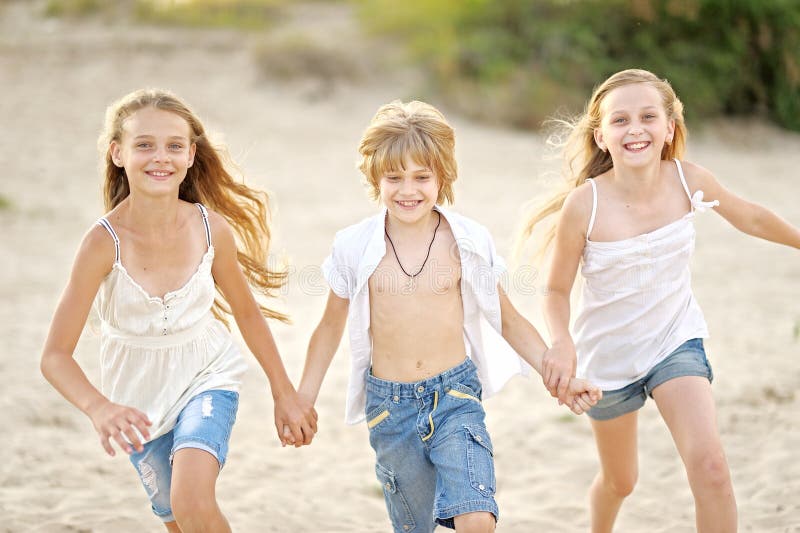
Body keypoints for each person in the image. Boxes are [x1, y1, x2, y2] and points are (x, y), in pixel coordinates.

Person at [297, 100, 601, 533]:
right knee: (414, 526)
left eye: (422, 177)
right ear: (374, 178)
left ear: (443, 177)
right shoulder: (353, 247)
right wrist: (303, 398)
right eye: (394, 177)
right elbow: (328, 329)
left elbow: (507, 318)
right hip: (390, 408)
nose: (409, 190)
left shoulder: (467, 241)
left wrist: (560, 379)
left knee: (476, 518)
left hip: (455, 396)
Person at [521, 68, 800, 533]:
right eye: (621, 120)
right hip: (605, 359)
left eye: (649, 116)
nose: (636, 129)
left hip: (675, 341)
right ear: (602, 136)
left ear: (669, 128)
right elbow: (554, 290)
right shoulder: (584, 206)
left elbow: (749, 217)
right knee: (621, 481)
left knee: (711, 468)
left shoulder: (689, 181)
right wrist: (562, 342)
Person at [39, 89, 317, 532]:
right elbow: (55, 356)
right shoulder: (101, 244)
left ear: (190, 155)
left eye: (174, 145)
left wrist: (284, 392)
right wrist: (99, 408)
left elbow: (247, 314)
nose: (159, 157)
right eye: (144, 144)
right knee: (180, 521)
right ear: (117, 153)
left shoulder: (211, 229)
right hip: (137, 402)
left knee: (192, 500)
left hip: (207, 376)